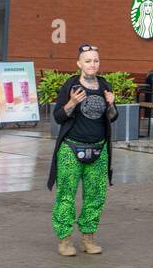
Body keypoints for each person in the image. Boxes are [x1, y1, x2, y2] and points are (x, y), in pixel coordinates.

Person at [47, 43, 117, 257]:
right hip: (71, 148)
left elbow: (112, 117)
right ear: (79, 64)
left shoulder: (105, 86)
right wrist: (72, 102)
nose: (92, 64)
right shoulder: (70, 86)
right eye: (88, 61)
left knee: (96, 196)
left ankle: (88, 238)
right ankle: (65, 240)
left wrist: (112, 104)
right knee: (66, 195)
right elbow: (58, 116)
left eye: (95, 60)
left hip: (98, 149)